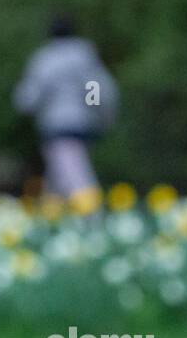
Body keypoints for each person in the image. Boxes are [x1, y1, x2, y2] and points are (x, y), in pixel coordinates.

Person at [12, 13, 119, 199]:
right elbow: (98, 89)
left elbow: (28, 99)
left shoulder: (45, 59)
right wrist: (102, 114)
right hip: (83, 123)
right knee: (59, 178)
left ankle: (91, 216)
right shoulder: (84, 55)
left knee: (74, 176)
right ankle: (54, 220)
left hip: (57, 125)